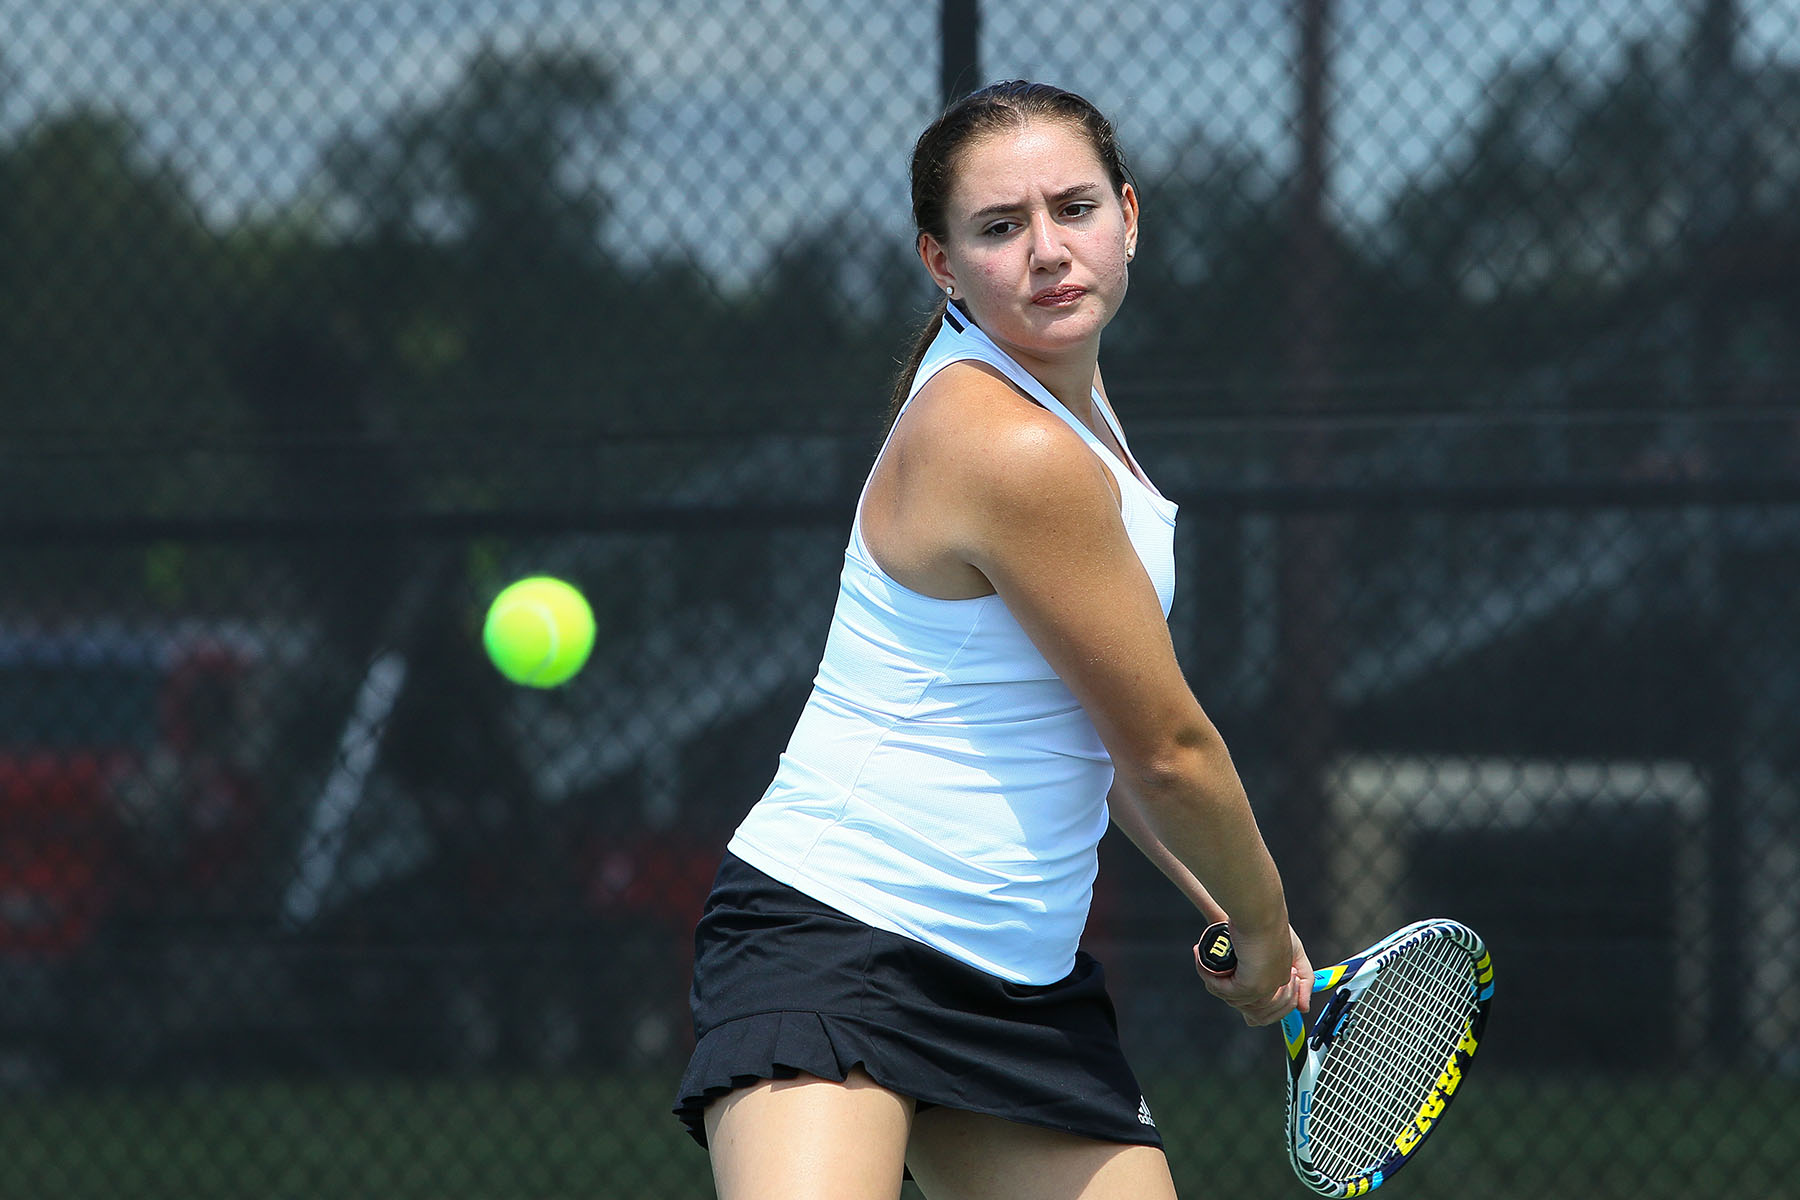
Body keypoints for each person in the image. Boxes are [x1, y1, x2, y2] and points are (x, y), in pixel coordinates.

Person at [673, 80, 1311, 1200]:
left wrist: (1224, 899)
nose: (1049, 251)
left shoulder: (1081, 418)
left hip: (1018, 984)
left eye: (1074, 210)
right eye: (1001, 227)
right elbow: (1169, 751)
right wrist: (1265, 925)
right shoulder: (1004, 446)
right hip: (832, 938)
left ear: (1129, 215)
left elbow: (1090, 740)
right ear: (942, 262)